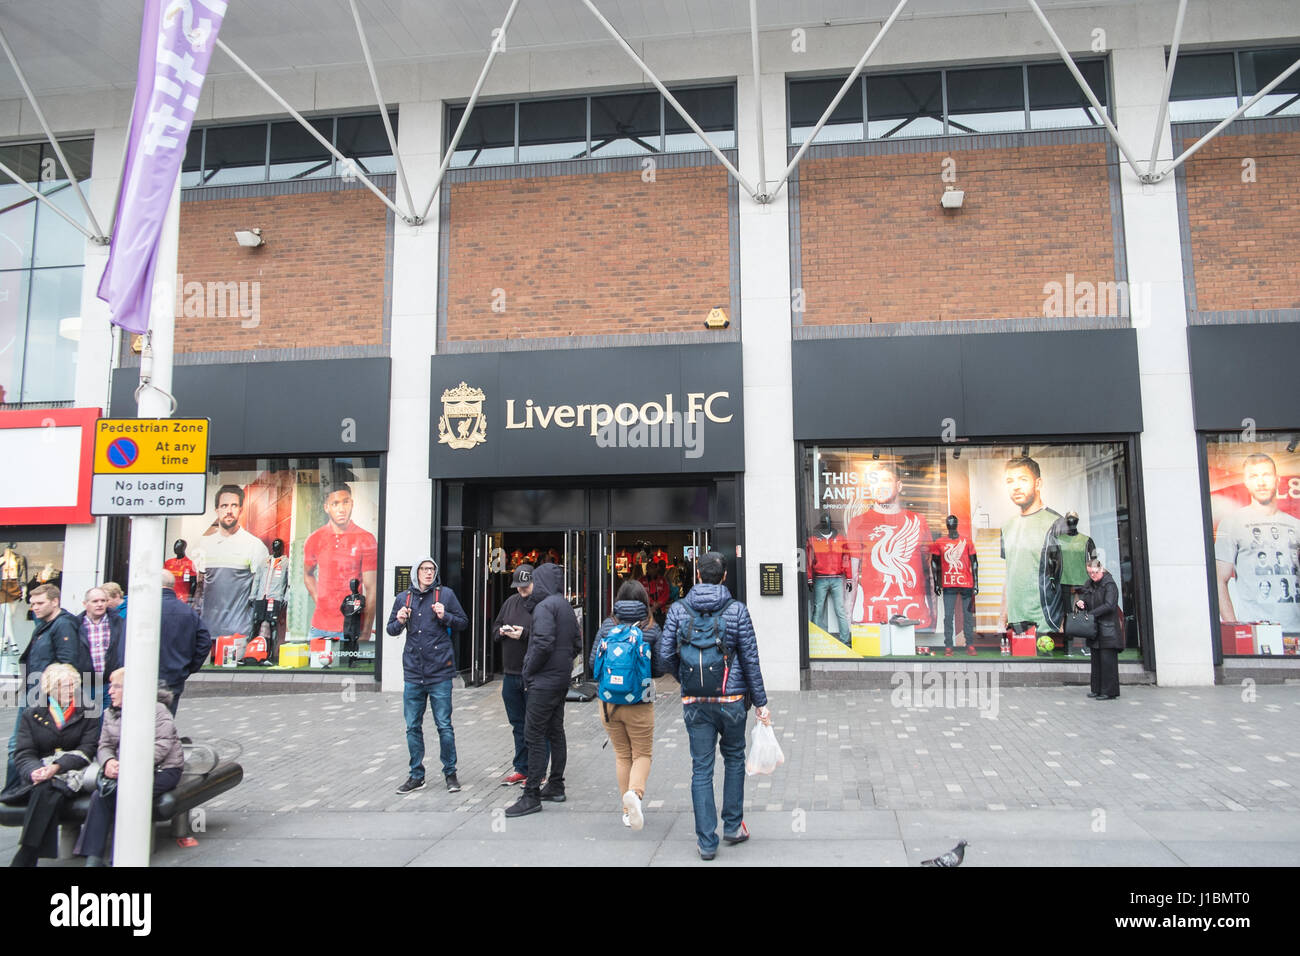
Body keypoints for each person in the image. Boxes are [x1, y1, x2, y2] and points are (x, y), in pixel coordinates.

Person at [659, 551, 771, 860]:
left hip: (696, 701)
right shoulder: (737, 611)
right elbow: (750, 660)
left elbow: (663, 656)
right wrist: (761, 703)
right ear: (724, 577)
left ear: (696, 576)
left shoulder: (679, 610)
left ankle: (707, 842)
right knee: (734, 758)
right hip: (732, 700)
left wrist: (686, 679)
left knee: (701, 768)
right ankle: (733, 827)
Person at [74, 669, 184, 866]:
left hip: (162, 769)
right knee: (100, 795)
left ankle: (120, 856)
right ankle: (93, 858)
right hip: (124, 769)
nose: (110, 691)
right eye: (111, 686)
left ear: (132, 689)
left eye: (116, 687)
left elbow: (162, 745)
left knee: (127, 794)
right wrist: (108, 763)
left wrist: (130, 766)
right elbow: (104, 745)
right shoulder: (110, 712)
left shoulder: (157, 710)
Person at [505, 562, 580, 817]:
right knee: (555, 731)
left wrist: (529, 669)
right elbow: (577, 644)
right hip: (560, 679)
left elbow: (543, 643)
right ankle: (555, 785)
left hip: (543, 681)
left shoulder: (544, 607)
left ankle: (532, 794)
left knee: (534, 733)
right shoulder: (565, 606)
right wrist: (563, 666)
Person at [5, 663, 100, 866]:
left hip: (74, 772)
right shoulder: (32, 713)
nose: (69, 691)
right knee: (47, 787)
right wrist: (34, 771)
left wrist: (57, 767)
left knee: (49, 787)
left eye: (71, 686)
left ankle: (27, 853)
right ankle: (29, 853)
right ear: (50, 689)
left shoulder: (89, 710)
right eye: (63, 687)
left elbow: (88, 749)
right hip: (41, 773)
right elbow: (24, 752)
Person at [388, 557, 468, 794]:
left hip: (440, 671)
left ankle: (450, 774)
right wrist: (400, 620)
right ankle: (416, 775)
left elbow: (463, 622)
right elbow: (391, 629)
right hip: (413, 672)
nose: (428, 573)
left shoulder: (446, 595)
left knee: (444, 725)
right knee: (412, 726)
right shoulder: (404, 598)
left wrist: (446, 616)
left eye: (432, 569)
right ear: (416, 573)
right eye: (424, 569)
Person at [590, 579, 663, 830]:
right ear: (644, 600)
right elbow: (661, 668)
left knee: (622, 755)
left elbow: (592, 664)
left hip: (609, 703)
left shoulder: (608, 626)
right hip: (640, 701)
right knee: (642, 753)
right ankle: (635, 793)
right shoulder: (651, 627)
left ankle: (625, 811)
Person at [5, 584, 79, 793]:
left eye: (40, 603)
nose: (34, 607)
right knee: (22, 745)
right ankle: (19, 789)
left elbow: (67, 663)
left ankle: (15, 790)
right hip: (35, 691)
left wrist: (49, 694)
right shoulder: (46, 625)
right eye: (33, 603)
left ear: (55, 602)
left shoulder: (62, 625)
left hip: (42, 694)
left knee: (19, 745)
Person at [1215, 453, 1300, 632]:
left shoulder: (1295, 525)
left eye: (1266, 475)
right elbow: (1218, 580)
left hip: (1296, 629)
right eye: (1254, 476)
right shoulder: (1232, 523)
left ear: (1277, 480)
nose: (1261, 482)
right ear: (1246, 482)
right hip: (1256, 630)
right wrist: (1235, 629)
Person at [848, 460, 934, 629]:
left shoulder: (918, 520)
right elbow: (853, 575)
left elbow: (930, 574)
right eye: (874, 481)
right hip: (873, 618)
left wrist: (934, 617)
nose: (879, 486)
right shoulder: (858, 522)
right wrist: (849, 620)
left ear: (899, 486)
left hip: (915, 618)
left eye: (886, 480)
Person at [303, 482, 378, 646]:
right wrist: (319, 599)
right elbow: (307, 574)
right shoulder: (315, 538)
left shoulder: (366, 539)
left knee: (346, 670)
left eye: (345, 502)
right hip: (318, 628)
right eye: (335, 504)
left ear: (352, 503)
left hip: (350, 628)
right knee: (316, 670)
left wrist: (365, 632)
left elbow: (372, 588)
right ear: (326, 507)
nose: (341, 508)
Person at [998, 456, 1065, 634]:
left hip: (1047, 623)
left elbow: (1068, 577)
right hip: (1014, 623)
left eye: (1023, 479)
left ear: (1038, 483)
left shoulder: (1057, 523)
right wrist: (1002, 616)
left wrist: (1064, 622)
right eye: (1010, 481)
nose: (1016, 486)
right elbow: (1010, 573)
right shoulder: (1007, 527)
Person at [195, 484, 269, 640]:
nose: (229, 510)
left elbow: (263, 593)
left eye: (234, 505)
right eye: (224, 506)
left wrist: (262, 633)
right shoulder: (204, 545)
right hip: (206, 633)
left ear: (241, 509)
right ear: (217, 510)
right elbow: (198, 590)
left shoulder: (254, 546)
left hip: (239, 633)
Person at [491, 564, 541, 786]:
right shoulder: (510, 602)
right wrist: (501, 632)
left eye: (525, 585)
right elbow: (495, 629)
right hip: (510, 674)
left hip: (533, 674)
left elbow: (547, 638)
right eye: (518, 586)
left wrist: (524, 635)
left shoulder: (542, 605)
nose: (521, 590)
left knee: (537, 725)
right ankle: (522, 768)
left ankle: (538, 771)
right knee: (518, 723)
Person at [158, 570, 214, 715]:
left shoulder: (142, 609)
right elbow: (204, 642)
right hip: (174, 675)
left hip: (143, 676)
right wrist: (189, 667)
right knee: (166, 721)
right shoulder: (187, 612)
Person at [1075, 558, 1122, 700]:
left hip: (1108, 627)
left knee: (1108, 661)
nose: (1092, 576)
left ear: (1101, 569)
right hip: (1095, 628)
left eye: (1095, 572)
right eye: (1089, 573)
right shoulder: (1089, 584)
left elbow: (1110, 605)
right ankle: (1097, 689)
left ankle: (1109, 691)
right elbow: (1086, 601)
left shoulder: (1110, 585)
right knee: (1096, 660)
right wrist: (1081, 604)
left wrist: (1091, 614)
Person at [76, 586, 125, 711]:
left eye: (103, 601)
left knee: (110, 722)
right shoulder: (75, 624)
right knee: (89, 723)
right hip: (87, 683)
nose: (99, 604)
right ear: (85, 604)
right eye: (95, 601)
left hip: (111, 683)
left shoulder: (118, 622)